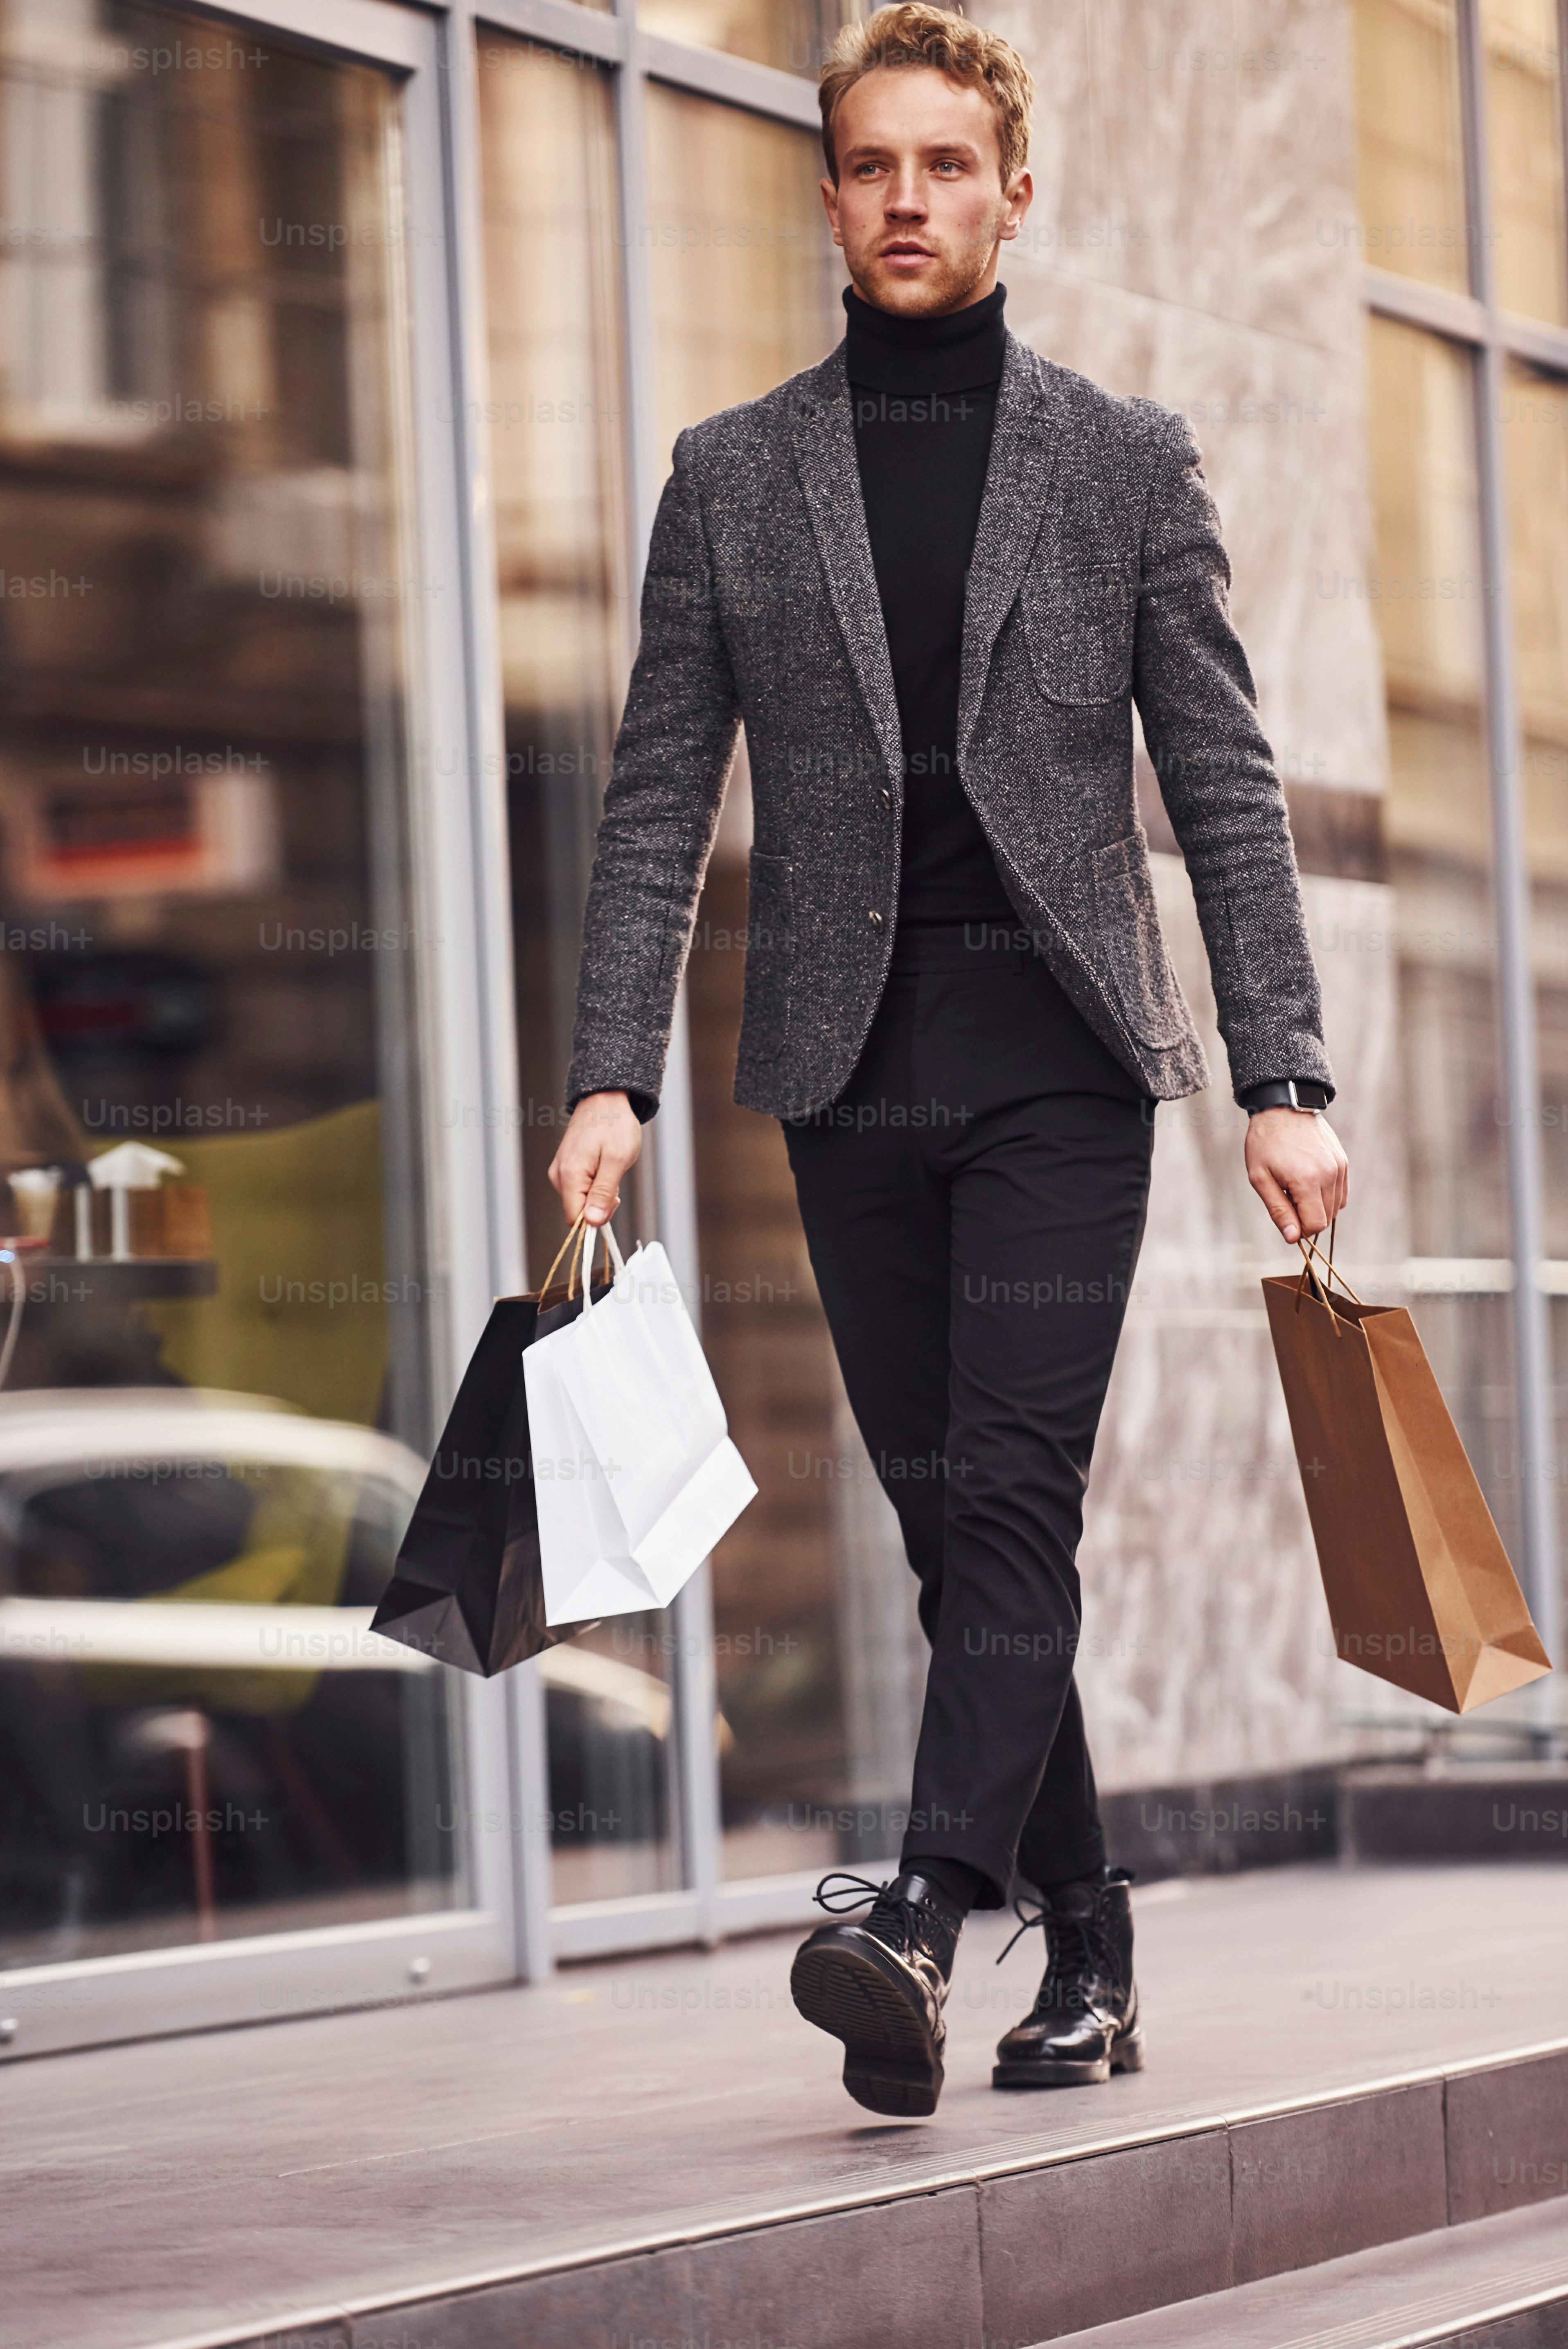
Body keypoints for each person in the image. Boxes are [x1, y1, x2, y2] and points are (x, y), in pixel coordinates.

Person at [548, 1, 1349, 2118]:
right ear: (828, 194)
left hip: (1058, 1068)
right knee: (952, 1527)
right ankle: (1084, 1952)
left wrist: (1283, 1072)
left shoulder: (1120, 458)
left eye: (943, 165)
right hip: (843, 1070)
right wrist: (604, 1070)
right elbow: (653, 796)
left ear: (1011, 190)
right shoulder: (729, 479)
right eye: (870, 165)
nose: (907, 197)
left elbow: (1224, 779)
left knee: (1011, 1493)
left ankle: (913, 1911)